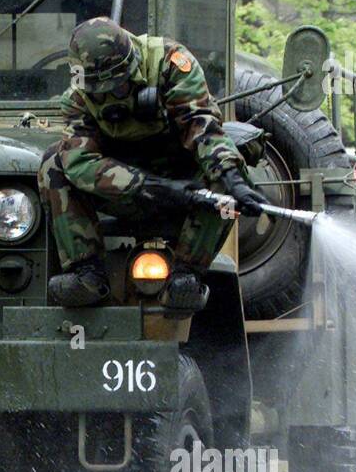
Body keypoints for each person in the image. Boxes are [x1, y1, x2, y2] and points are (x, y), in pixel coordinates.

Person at [39, 17, 265, 308]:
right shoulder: (78, 99)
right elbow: (80, 163)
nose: (112, 94)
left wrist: (232, 176)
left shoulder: (171, 63)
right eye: (102, 89)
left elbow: (201, 126)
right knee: (53, 163)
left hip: (188, 181)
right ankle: (87, 274)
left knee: (226, 178)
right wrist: (148, 186)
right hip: (128, 188)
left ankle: (186, 278)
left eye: (118, 85)